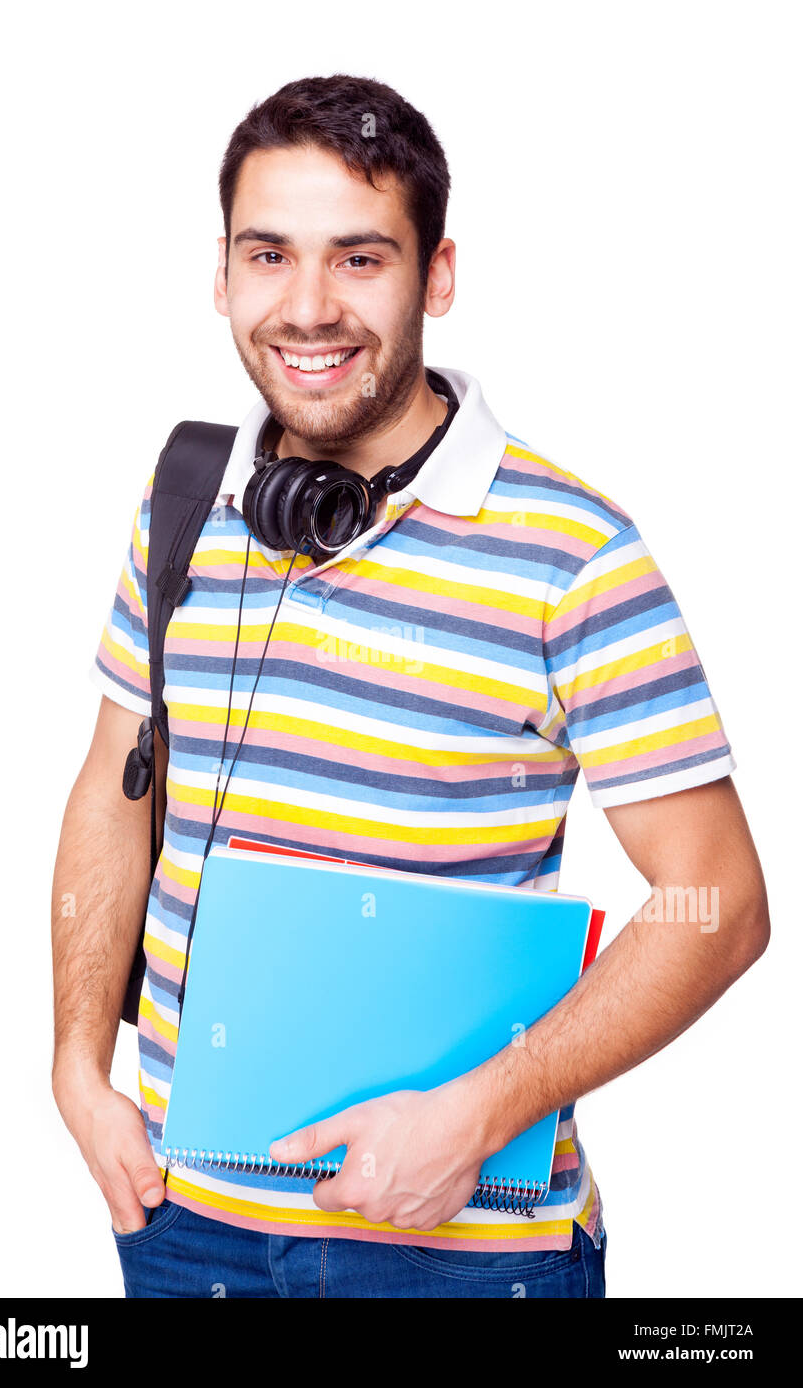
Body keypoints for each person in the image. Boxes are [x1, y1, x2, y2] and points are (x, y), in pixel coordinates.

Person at [51, 73, 770, 1300]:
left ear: (436, 277)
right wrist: (76, 1068)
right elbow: (117, 796)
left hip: (462, 1260)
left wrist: (482, 1114)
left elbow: (718, 902)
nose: (308, 305)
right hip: (181, 1222)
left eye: (360, 257)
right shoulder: (187, 501)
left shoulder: (572, 551)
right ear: (219, 274)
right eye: (268, 254)